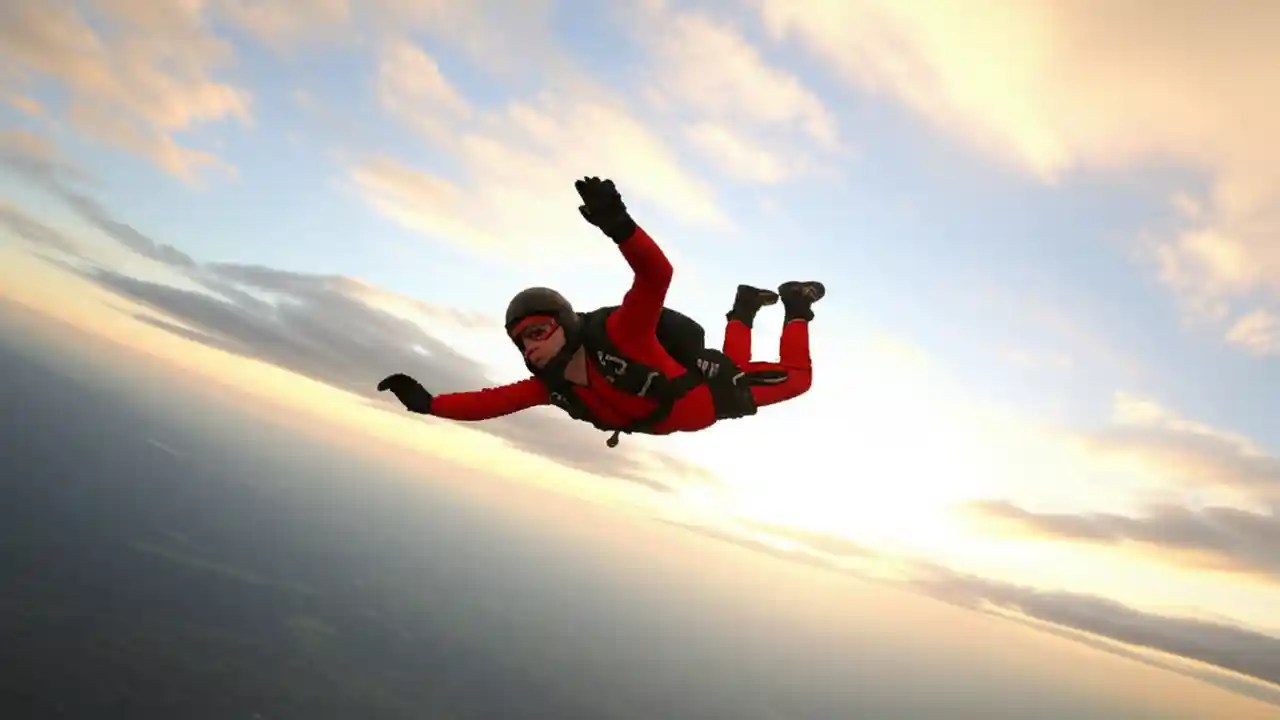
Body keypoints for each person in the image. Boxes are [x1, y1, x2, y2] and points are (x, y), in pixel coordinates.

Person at [378, 175, 825, 447]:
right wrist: (429, 405)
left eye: (536, 331)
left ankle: (796, 303)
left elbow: (655, 277)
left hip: (709, 398)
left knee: (797, 379)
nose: (529, 348)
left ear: (564, 323)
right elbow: (490, 403)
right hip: (704, 400)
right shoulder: (552, 386)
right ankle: (744, 307)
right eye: (520, 341)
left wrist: (620, 227)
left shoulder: (620, 332)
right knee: (736, 367)